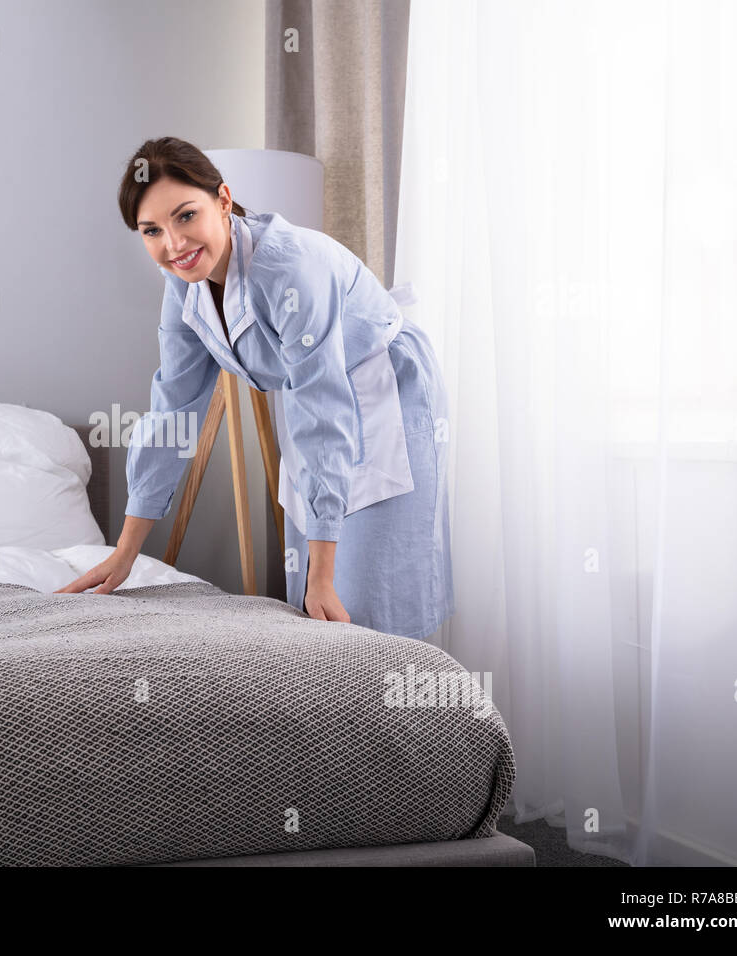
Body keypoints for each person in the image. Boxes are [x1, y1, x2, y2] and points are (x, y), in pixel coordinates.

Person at [57, 136, 453, 640]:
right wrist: (126, 554)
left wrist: (323, 577)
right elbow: (173, 408)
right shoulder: (183, 281)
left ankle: (401, 709)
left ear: (223, 200)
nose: (173, 244)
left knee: (365, 599)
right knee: (314, 612)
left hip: (382, 388)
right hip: (313, 398)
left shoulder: (290, 268)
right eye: (151, 230)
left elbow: (322, 412)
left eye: (185, 216)